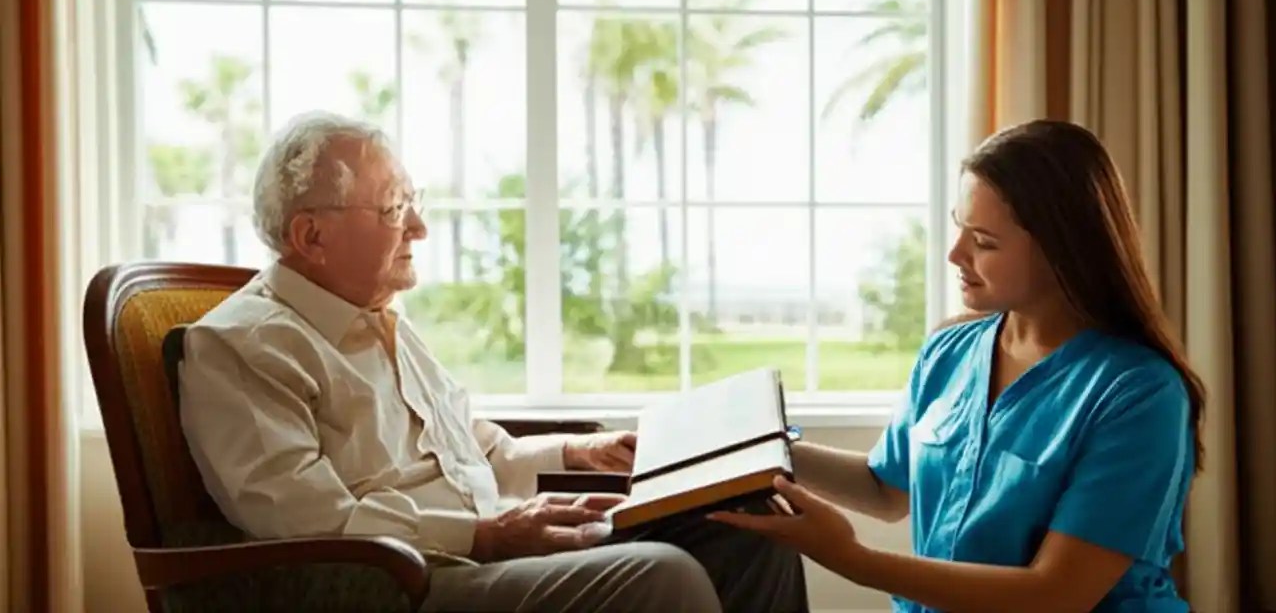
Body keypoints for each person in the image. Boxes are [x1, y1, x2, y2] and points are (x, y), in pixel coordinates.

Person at [179, 110, 808, 613]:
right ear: (310, 236)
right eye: (395, 208)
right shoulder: (242, 346)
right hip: (412, 582)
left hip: (492, 546)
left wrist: (579, 453)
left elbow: (481, 454)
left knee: (750, 527)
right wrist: (484, 536)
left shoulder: (386, 325)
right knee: (662, 577)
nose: (419, 228)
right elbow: (305, 521)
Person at [711, 120, 1205, 612]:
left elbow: (1057, 593)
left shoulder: (1140, 394)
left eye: (984, 241)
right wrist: (745, 450)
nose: (955, 254)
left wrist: (851, 558)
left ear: (1064, 247)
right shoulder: (950, 350)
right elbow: (885, 488)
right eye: (959, 228)